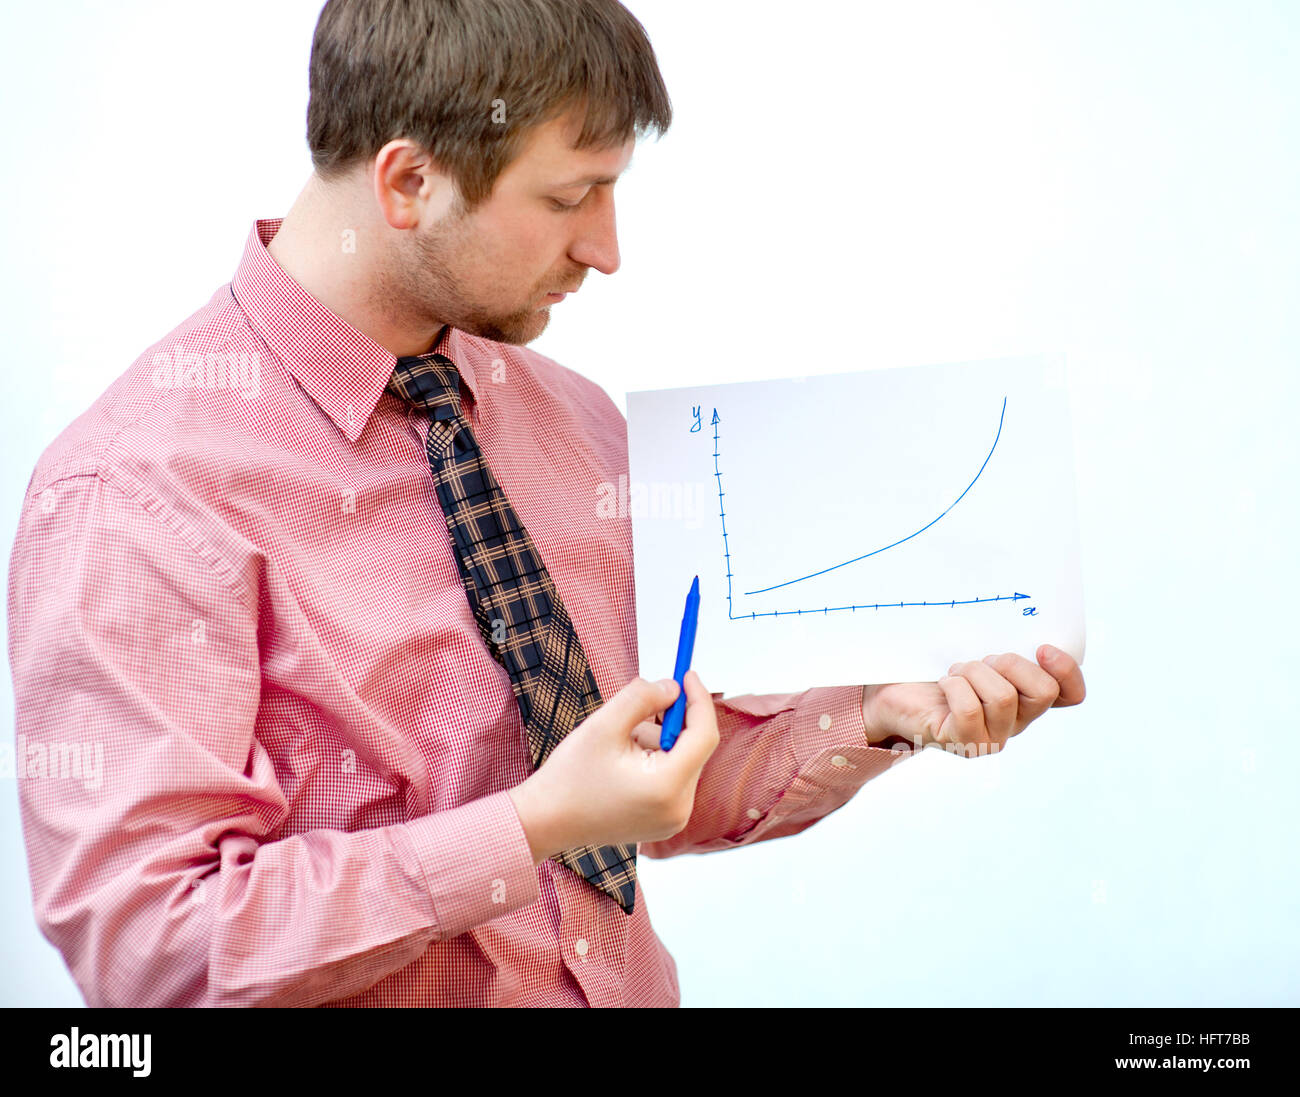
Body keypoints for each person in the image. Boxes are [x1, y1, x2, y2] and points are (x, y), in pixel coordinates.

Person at [6, 0, 1085, 1008]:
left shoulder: (568, 422)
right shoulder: (135, 492)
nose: (605, 251)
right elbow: (150, 942)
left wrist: (874, 712)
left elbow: (648, 773)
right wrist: (528, 825)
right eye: (569, 197)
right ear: (406, 184)